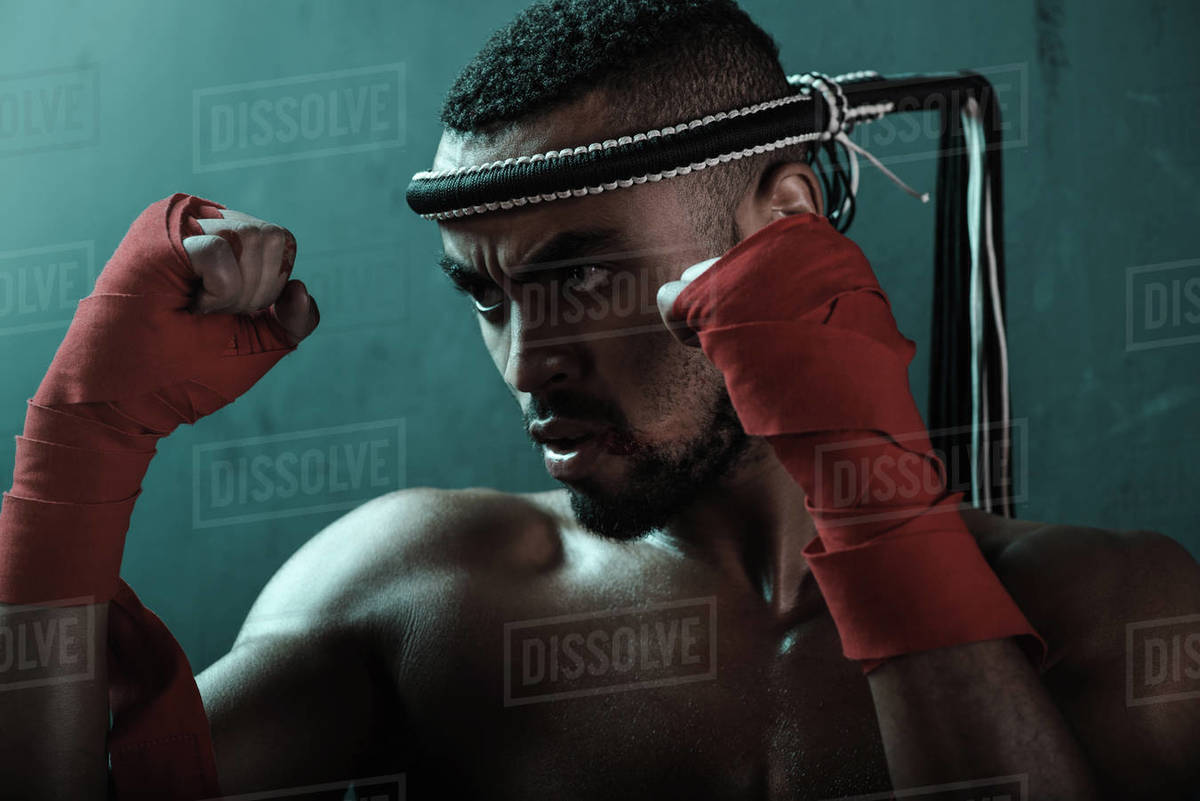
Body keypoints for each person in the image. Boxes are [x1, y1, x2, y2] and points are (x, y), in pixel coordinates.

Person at [3, 1, 1199, 798]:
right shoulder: (427, 591)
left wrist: (872, 497)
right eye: (488, 296)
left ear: (783, 221)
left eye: (580, 277)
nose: (528, 364)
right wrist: (70, 469)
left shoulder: (1120, 614)